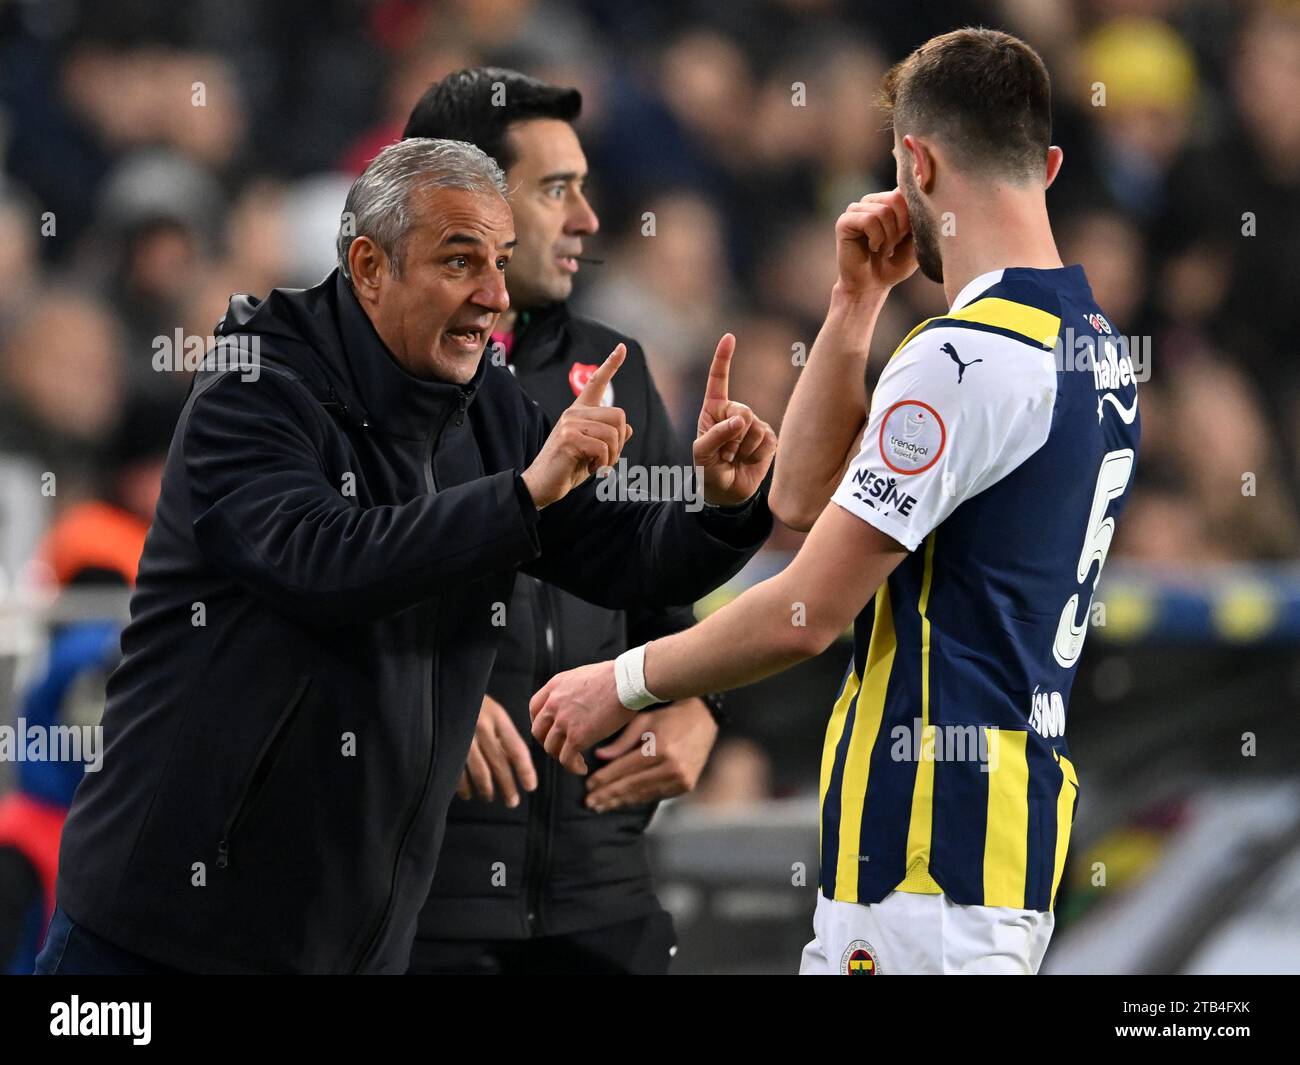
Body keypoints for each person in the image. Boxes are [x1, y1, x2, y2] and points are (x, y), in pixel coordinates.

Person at [37, 137, 776, 974]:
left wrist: (719, 502)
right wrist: (524, 495)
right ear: (369, 265)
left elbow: (624, 557)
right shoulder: (254, 386)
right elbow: (324, 561)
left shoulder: (488, 406)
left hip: (355, 947)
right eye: (460, 262)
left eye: (500, 262)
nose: (494, 296)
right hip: (164, 935)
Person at [529, 28, 1141, 975]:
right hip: (996, 846)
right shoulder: (1097, 348)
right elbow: (806, 498)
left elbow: (809, 610)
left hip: (925, 853)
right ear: (1048, 165)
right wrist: (854, 305)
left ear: (915, 163)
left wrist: (620, 679)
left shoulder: (961, 356)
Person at [398, 69, 727, 975]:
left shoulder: (612, 369)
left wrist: (701, 702)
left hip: (603, 893)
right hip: (424, 901)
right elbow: (294, 598)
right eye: (555, 190)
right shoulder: (356, 378)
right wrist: (416, 704)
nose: (587, 219)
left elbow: (662, 595)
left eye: (583, 187)